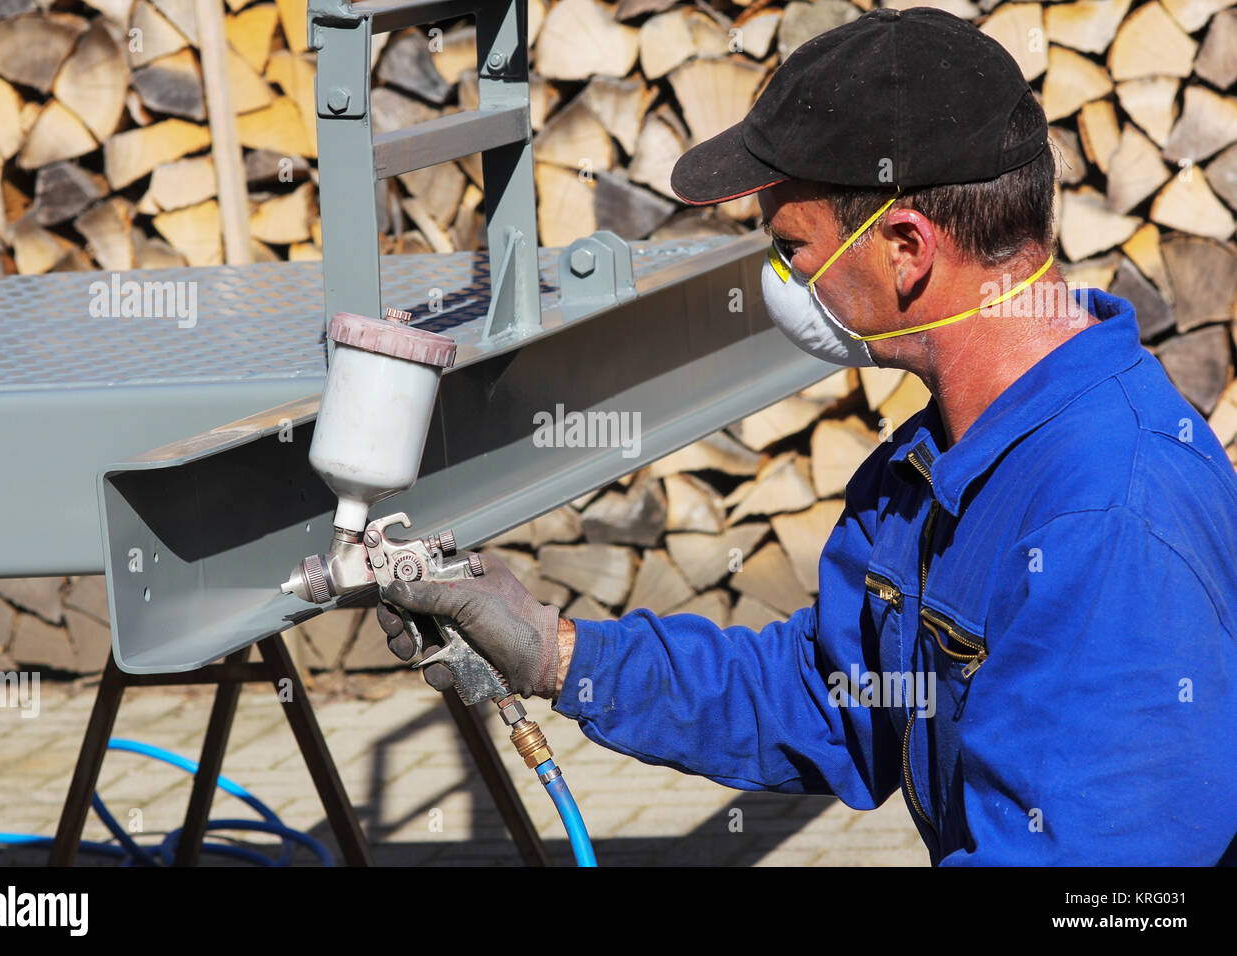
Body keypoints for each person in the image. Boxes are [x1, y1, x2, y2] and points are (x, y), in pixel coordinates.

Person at [380, 7, 1237, 865]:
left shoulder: (1108, 518)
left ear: (906, 247)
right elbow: (832, 693)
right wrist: (555, 652)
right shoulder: (947, 459)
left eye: (794, 249)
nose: (784, 282)